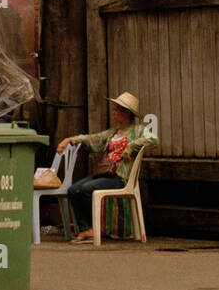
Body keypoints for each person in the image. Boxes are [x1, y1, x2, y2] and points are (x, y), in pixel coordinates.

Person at [57, 91, 157, 242]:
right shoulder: (113, 132)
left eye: (117, 110)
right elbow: (94, 138)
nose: (114, 113)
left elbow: (153, 139)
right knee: (73, 190)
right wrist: (70, 140)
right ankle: (87, 228)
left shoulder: (138, 131)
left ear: (127, 113)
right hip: (105, 174)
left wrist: (131, 146)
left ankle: (93, 228)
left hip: (120, 177)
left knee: (85, 189)